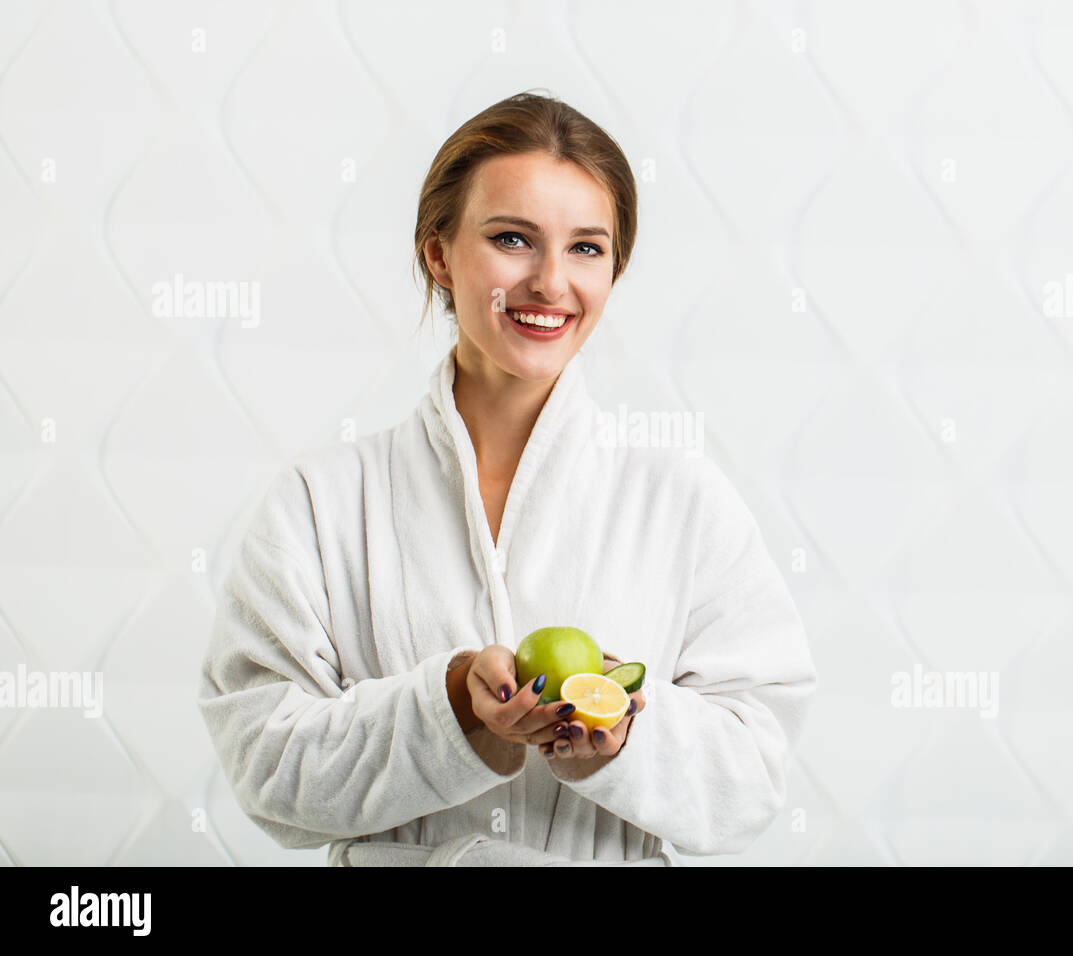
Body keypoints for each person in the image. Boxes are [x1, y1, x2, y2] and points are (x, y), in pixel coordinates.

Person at [197, 91, 817, 866]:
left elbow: (754, 776)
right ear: (439, 255)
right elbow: (265, 768)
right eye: (512, 239)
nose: (551, 283)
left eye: (586, 248)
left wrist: (627, 738)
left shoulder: (683, 503)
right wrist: (448, 708)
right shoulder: (320, 505)